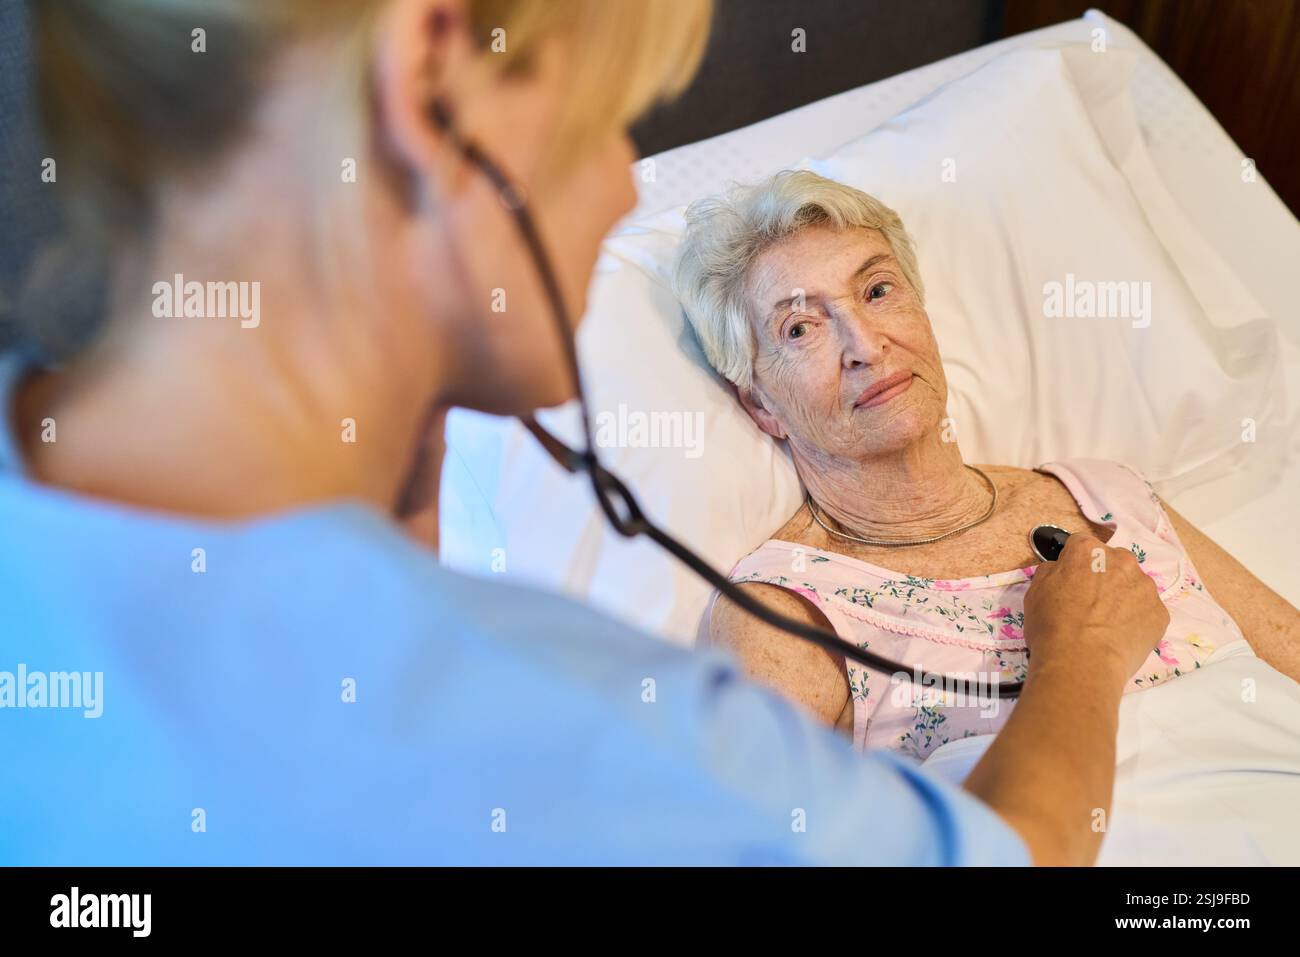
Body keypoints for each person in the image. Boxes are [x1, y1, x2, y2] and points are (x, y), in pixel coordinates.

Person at [0, 0, 1163, 866]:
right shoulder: (573, 724)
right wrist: (1082, 652)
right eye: (611, 123)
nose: (621, 188)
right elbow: (1019, 853)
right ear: (434, 80)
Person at [672, 170, 1300, 756]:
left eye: (878, 290)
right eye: (801, 328)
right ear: (761, 404)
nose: (865, 345)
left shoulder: (1108, 495)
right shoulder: (787, 614)